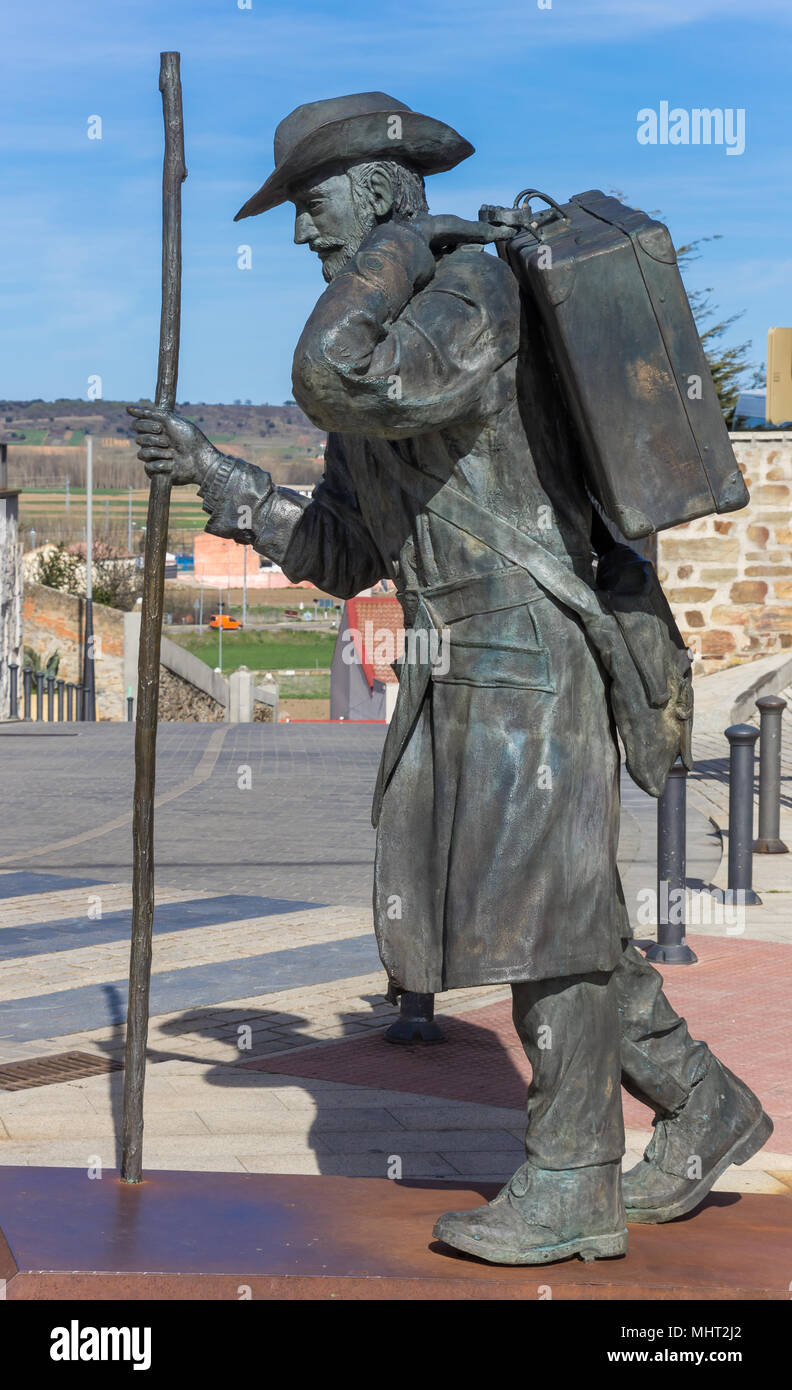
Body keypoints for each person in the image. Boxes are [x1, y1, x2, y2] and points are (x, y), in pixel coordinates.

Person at [130, 93, 772, 1265]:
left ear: (379, 194)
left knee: (546, 930)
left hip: (532, 649)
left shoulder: (467, 299)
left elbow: (340, 377)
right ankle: (704, 1103)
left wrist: (386, 260)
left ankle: (573, 1178)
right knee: (567, 923)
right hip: (459, 665)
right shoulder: (387, 335)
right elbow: (343, 549)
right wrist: (222, 476)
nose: (302, 240)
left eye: (317, 209)